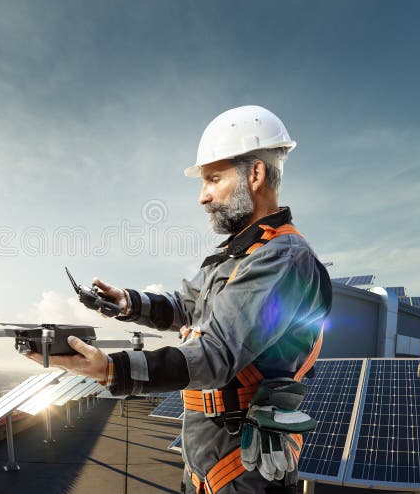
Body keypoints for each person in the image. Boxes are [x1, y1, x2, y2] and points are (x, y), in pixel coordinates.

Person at [27, 105, 332, 494]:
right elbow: (187, 306)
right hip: (208, 466)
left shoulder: (282, 260)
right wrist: (128, 303)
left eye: (213, 179)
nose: (203, 197)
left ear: (255, 174)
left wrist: (111, 369)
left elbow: (215, 355)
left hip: (243, 475)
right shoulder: (237, 256)